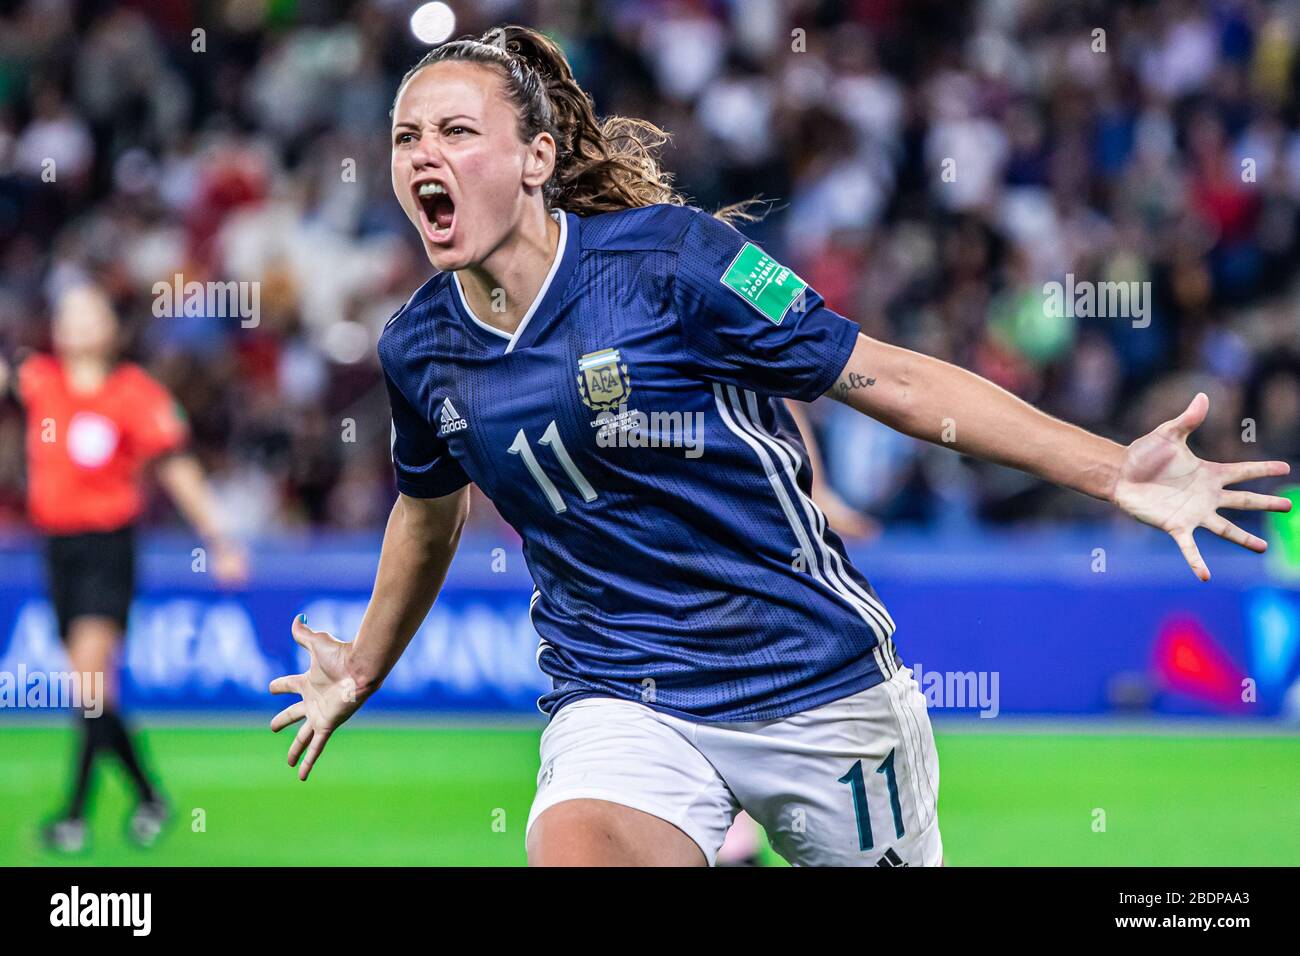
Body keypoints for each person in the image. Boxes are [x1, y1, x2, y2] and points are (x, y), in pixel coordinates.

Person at [269, 26, 1291, 866]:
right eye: (407, 138)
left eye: (457, 129)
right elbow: (427, 505)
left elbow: (882, 374)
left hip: (814, 682)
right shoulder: (418, 346)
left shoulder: (675, 260)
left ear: (536, 158)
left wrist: (1111, 467)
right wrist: (364, 661)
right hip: (621, 691)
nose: (422, 157)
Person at [0, 283, 247, 854]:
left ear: (112, 327)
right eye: (69, 314)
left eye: (91, 313)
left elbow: (177, 470)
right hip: (57, 550)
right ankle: (148, 798)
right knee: (94, 692)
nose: (79, 324)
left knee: (86, 680)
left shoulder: (135, 394)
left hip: (107, 547)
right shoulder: (40, 380)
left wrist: (220, 539)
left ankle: (72, 817)